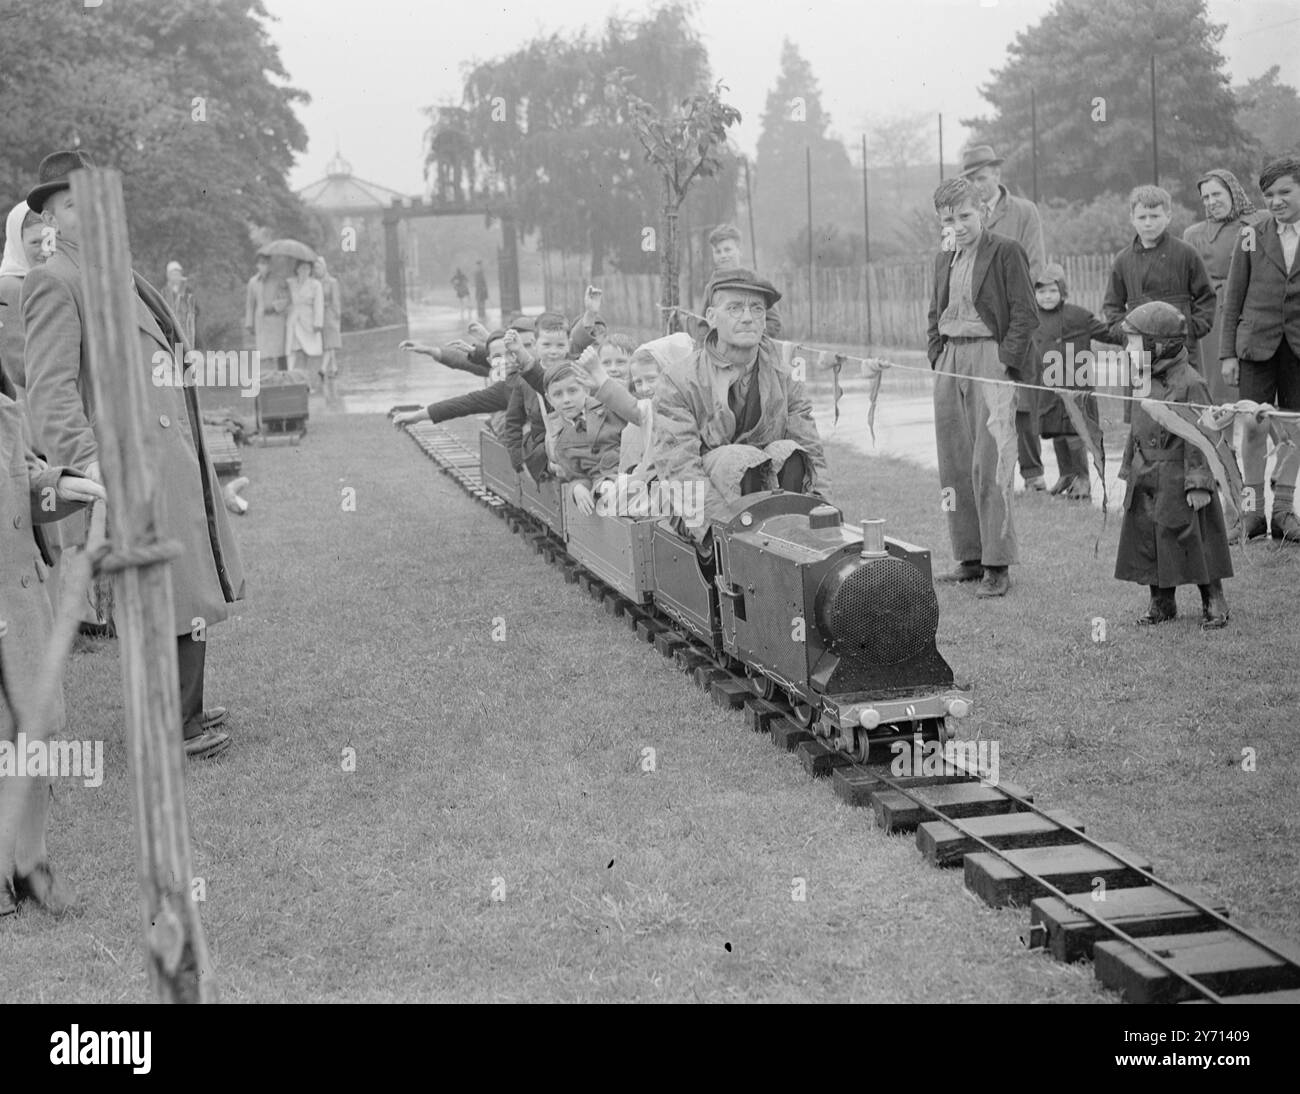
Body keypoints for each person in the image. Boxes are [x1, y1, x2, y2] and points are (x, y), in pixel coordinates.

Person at [22, 149, 245, 761]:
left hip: (165, 452)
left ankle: (187, 709)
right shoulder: (56, 279)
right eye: (72, 203)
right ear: (50, 219)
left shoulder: (117, 270)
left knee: (184, 586)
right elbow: (50, 389)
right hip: (122, 462)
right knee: (156, 589)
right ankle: (171, 728)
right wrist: (88, 463)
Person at [0, 383, 105, 916]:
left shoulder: (3, 413)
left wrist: (67, 488)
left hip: (18, 610)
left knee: (32, 739)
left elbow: (28, 489)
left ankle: (31, 865)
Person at [652, 268, 827, 549]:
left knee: (792, 454)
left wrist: (822, 516)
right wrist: (722, 535)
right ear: (711, 317)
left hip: (770, 495)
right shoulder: (678, 380)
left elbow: (812, 451)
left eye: (756, 309)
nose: (747, 317)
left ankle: (792, 544)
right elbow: (678, 468)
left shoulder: (784, 378)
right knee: (738, 458)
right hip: (699, 514)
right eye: (734, 308)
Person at [926, 176, 1038, 598]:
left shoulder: (1006, 252)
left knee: (991, 463)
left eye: (966, 216)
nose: (957, 225)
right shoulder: (942, 257)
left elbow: (1026, 315)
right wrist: (937, 354)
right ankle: (969, 558)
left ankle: (997, 563)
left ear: (984, 212)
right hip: (950, 361)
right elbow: (934, 312)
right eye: (949, 219)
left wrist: (1004, 362)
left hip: (990, 359)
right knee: (954, 465)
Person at [1114, 302, 1232, 628]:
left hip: (1180, 476)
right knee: (1151, 539)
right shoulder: (1142, 380)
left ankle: (1213, 598)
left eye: (1134, 342)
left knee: (1194, 538)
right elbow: (1137, 426)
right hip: (1147, 472)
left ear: (1158, 345)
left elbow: (1203, 435)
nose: (1128, 349)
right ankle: (1161, 600)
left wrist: (1198, 481)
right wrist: (1129, 467)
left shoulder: (1191, 383)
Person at [1219, 155, 1300, 544]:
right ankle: (1251, 513)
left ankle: (1283, 510)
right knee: (1253, 425)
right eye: (1269, 194)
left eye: (1285, 191)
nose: (1276, 200)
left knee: (1295, 428)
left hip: (1297, 349)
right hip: (1255, 346)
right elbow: (1232, 298)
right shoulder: (1250, 234)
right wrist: (1227, 354)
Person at [961, 144, 1049, 494]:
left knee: (1022, 398)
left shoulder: (1024, 211)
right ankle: (998, 474)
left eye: (982, 177)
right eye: (972, 179)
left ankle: (1033, 474)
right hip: (980, 320)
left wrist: (1019, 312)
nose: (978, 185)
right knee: (987, 401)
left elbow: (1036, 262)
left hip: (1016, 314)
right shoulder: (966, 215)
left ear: (997, 175)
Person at [1103, 185, 1216, 374]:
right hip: (1139, 355)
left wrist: (1191, 329)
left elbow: (1207, 298)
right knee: (1142, 402)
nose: (1148, 223)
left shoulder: (1186, 253)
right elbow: (1112, 307)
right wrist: (1129, 337)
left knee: (1183, 398)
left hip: (1181, 351)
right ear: (1132, 219)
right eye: (1142, 217)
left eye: (1155, 216)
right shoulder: (1123, 261)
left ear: (1168, 217)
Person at [1028, 263, 1117, 500]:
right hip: (1047, 387)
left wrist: (1133, 333)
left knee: (1075, 430)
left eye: (1052, 291)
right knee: (1056, 431)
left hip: (1076, 385)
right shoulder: (1031, 320)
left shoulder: (1079, 316)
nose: (1047, 297)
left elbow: (1109, 334)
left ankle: (1083, 479)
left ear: (1063, 292)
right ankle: (1066, 475)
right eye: (1042, 292)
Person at [544, 358, 633, 516]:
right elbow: (576, 475)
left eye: (572, 391)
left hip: (633, 470)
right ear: (549, 399)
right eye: (558, 394)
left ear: (585, 389)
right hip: (604, 486)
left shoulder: (608, 407)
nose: (566, 400)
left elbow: (633, 405)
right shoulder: (560, 441)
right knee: (607, 492)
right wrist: (577, 488)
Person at [502, 312, 571, 481]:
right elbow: (513, 421)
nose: (553, 352)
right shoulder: (524, 380)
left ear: (569, 345)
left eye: (560, 346)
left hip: (572, 437)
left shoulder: (574, 372)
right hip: (543, 445)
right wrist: (517, 460)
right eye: (546, 345)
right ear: (535, 344)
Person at [0, 202, 46, 396]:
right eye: (35, 242)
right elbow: (18, 366)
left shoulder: (40, 282)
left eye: (49, 240)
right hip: (24, 406)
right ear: (17, 243)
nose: (45, 250)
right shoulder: (10, 286)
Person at [707, 225, 782, 337]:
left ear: (739, 251)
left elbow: (774, 323)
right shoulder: (711, 285)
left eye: (727, 250)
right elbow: (702, 323)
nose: (723, 256)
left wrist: (749, 338)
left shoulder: (752, 281)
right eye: (718, 252)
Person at [245, 252, 289, 372]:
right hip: (261, 321)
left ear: (270, 265)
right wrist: (249, 324)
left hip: (277, 320)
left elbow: (285, 299)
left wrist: (275, 307)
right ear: (257, 265)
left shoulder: (278, 279)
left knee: (280, 352)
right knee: (264, 353)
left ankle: (283, 378)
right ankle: (268, 379)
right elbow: (250, 304)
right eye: (261, 264)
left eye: (266, 263)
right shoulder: (253, 282)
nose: (263, 266)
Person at [285, 258, 324, 379]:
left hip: (308, 319)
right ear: (296, 269)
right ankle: (290, 374)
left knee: (309, 350)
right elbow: (285, 298)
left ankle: (308, 378)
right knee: (292, 348)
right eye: (302, 268)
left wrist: (318, 322)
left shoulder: (315, 285)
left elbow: (319, 304)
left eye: (307, 268)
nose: (304, 271)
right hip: (293, 319)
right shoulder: (290, 283)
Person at [314, 257, 343, 393]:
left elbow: (335, 300)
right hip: (320, 316)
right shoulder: (315, 282)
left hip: (330, 315)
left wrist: (337, 315)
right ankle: (334, 368)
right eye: (315, 268)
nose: (316, 270)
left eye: (319, 267)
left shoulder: (332, 282)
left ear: (324, 267)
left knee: (330, 343)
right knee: (327, 343)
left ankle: (323, 369)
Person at [162, 260, 199, 347]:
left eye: (177, 274)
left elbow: (195, 309)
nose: (175, 276)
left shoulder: (188, 291)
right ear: (168, 275)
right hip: (171, 330)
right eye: (173, 274)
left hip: (186, 330)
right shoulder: (165, 292)